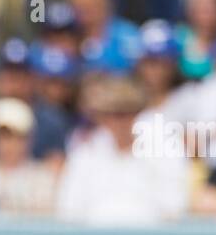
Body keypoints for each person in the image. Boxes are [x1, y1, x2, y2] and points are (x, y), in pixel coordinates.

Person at [56, 76, 188, 226]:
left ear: (138, 113)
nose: (119, 121)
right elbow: (69, 208)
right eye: (111, 114)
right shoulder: (85, 153)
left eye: (126, 112)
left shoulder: (164, 150)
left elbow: (175, 204)